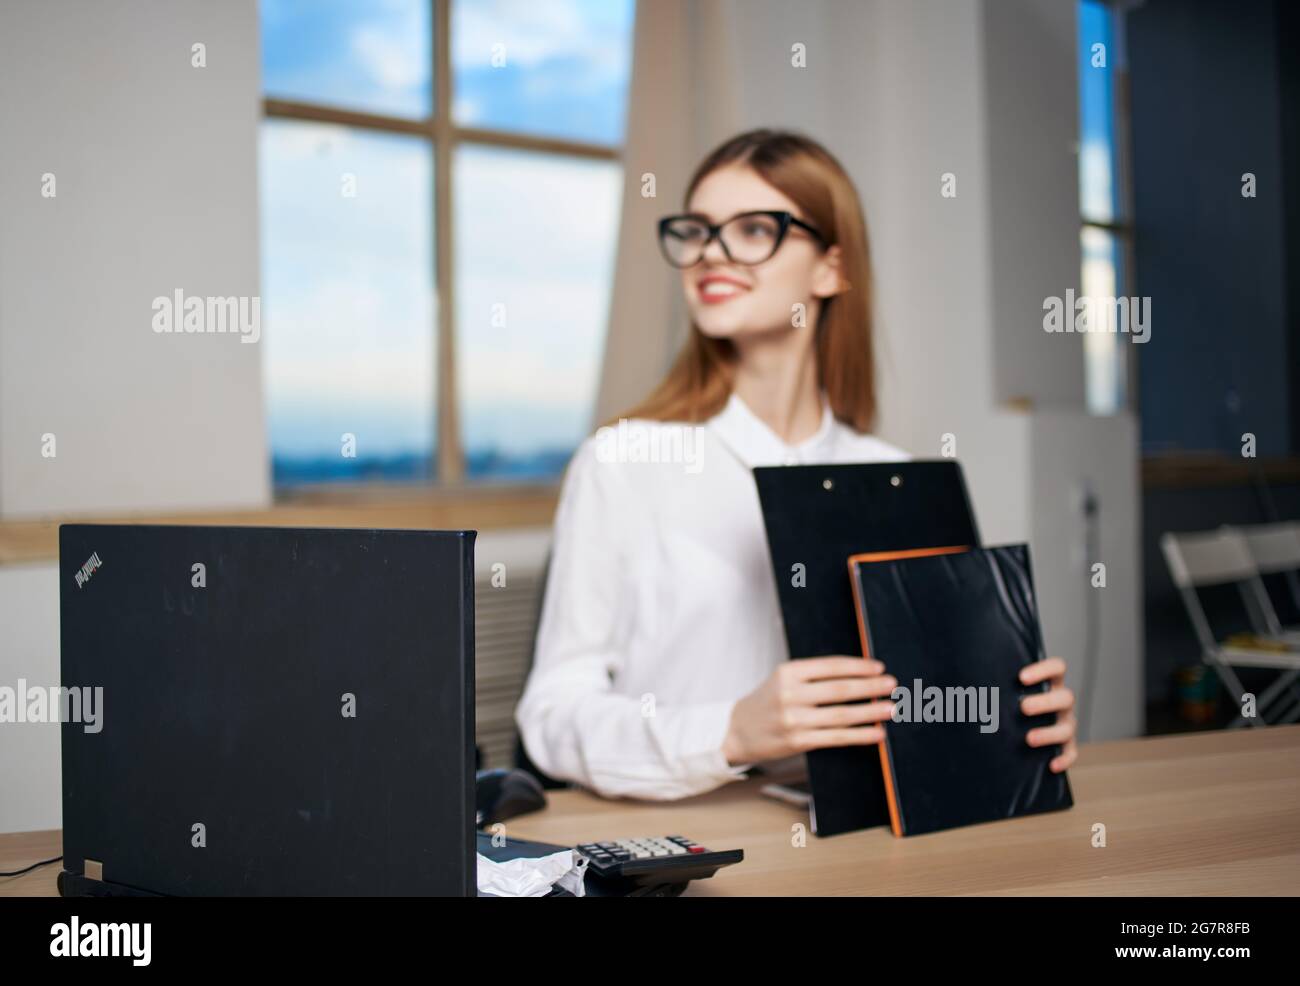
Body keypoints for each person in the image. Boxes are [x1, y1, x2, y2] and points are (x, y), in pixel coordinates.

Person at [516, 129, 1078, 800]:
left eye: (754, 229)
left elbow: (931, 698)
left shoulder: (894, 475)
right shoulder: (623, 461)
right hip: (688, 839)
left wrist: (1008, 723)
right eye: (697, 230)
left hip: (862, 845)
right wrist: (727, 733)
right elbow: (549, 715)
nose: (710, 255)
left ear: (831, 269)